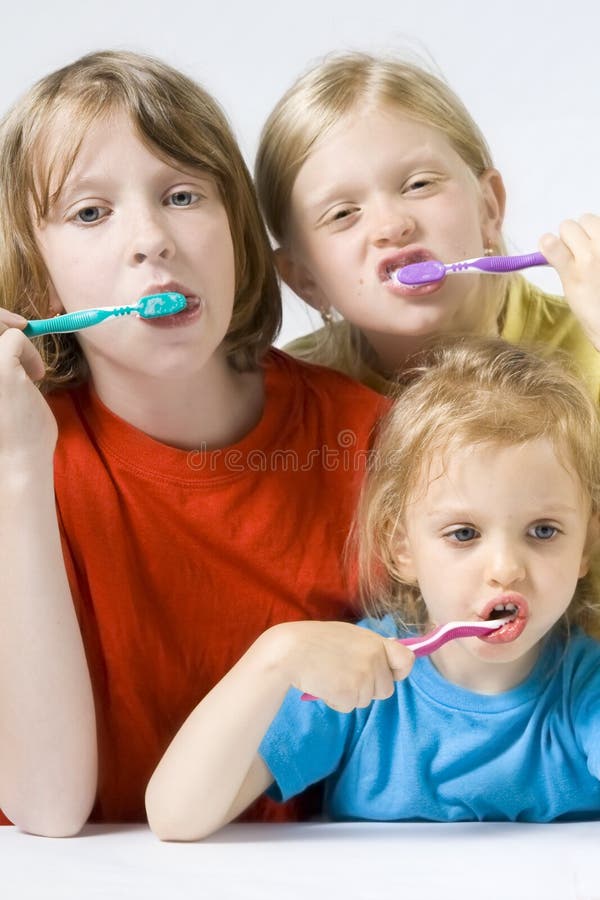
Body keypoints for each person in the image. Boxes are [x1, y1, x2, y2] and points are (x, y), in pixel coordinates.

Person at [0, 50, 385, 836]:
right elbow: (47, 809)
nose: (151, 240)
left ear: (237, 232)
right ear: (39, 281)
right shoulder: (25, 459)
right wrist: (16, 470)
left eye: (182, 196)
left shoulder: (367, 439)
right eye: (90, 213)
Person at [146, 335, 600, 840]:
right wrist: (274, 657)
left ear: (586, 544)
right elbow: (175, 816)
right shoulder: (357, 679)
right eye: (463, 534)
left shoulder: (587, 689)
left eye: (543, 531)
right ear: (401, 547)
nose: (506, 568)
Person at [255, 52, 600, 396]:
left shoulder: (590, 344)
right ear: (305, 280)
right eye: (342, 214)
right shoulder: (288, 396)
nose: (391, 226)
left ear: (488, 208)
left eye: (419, 185)